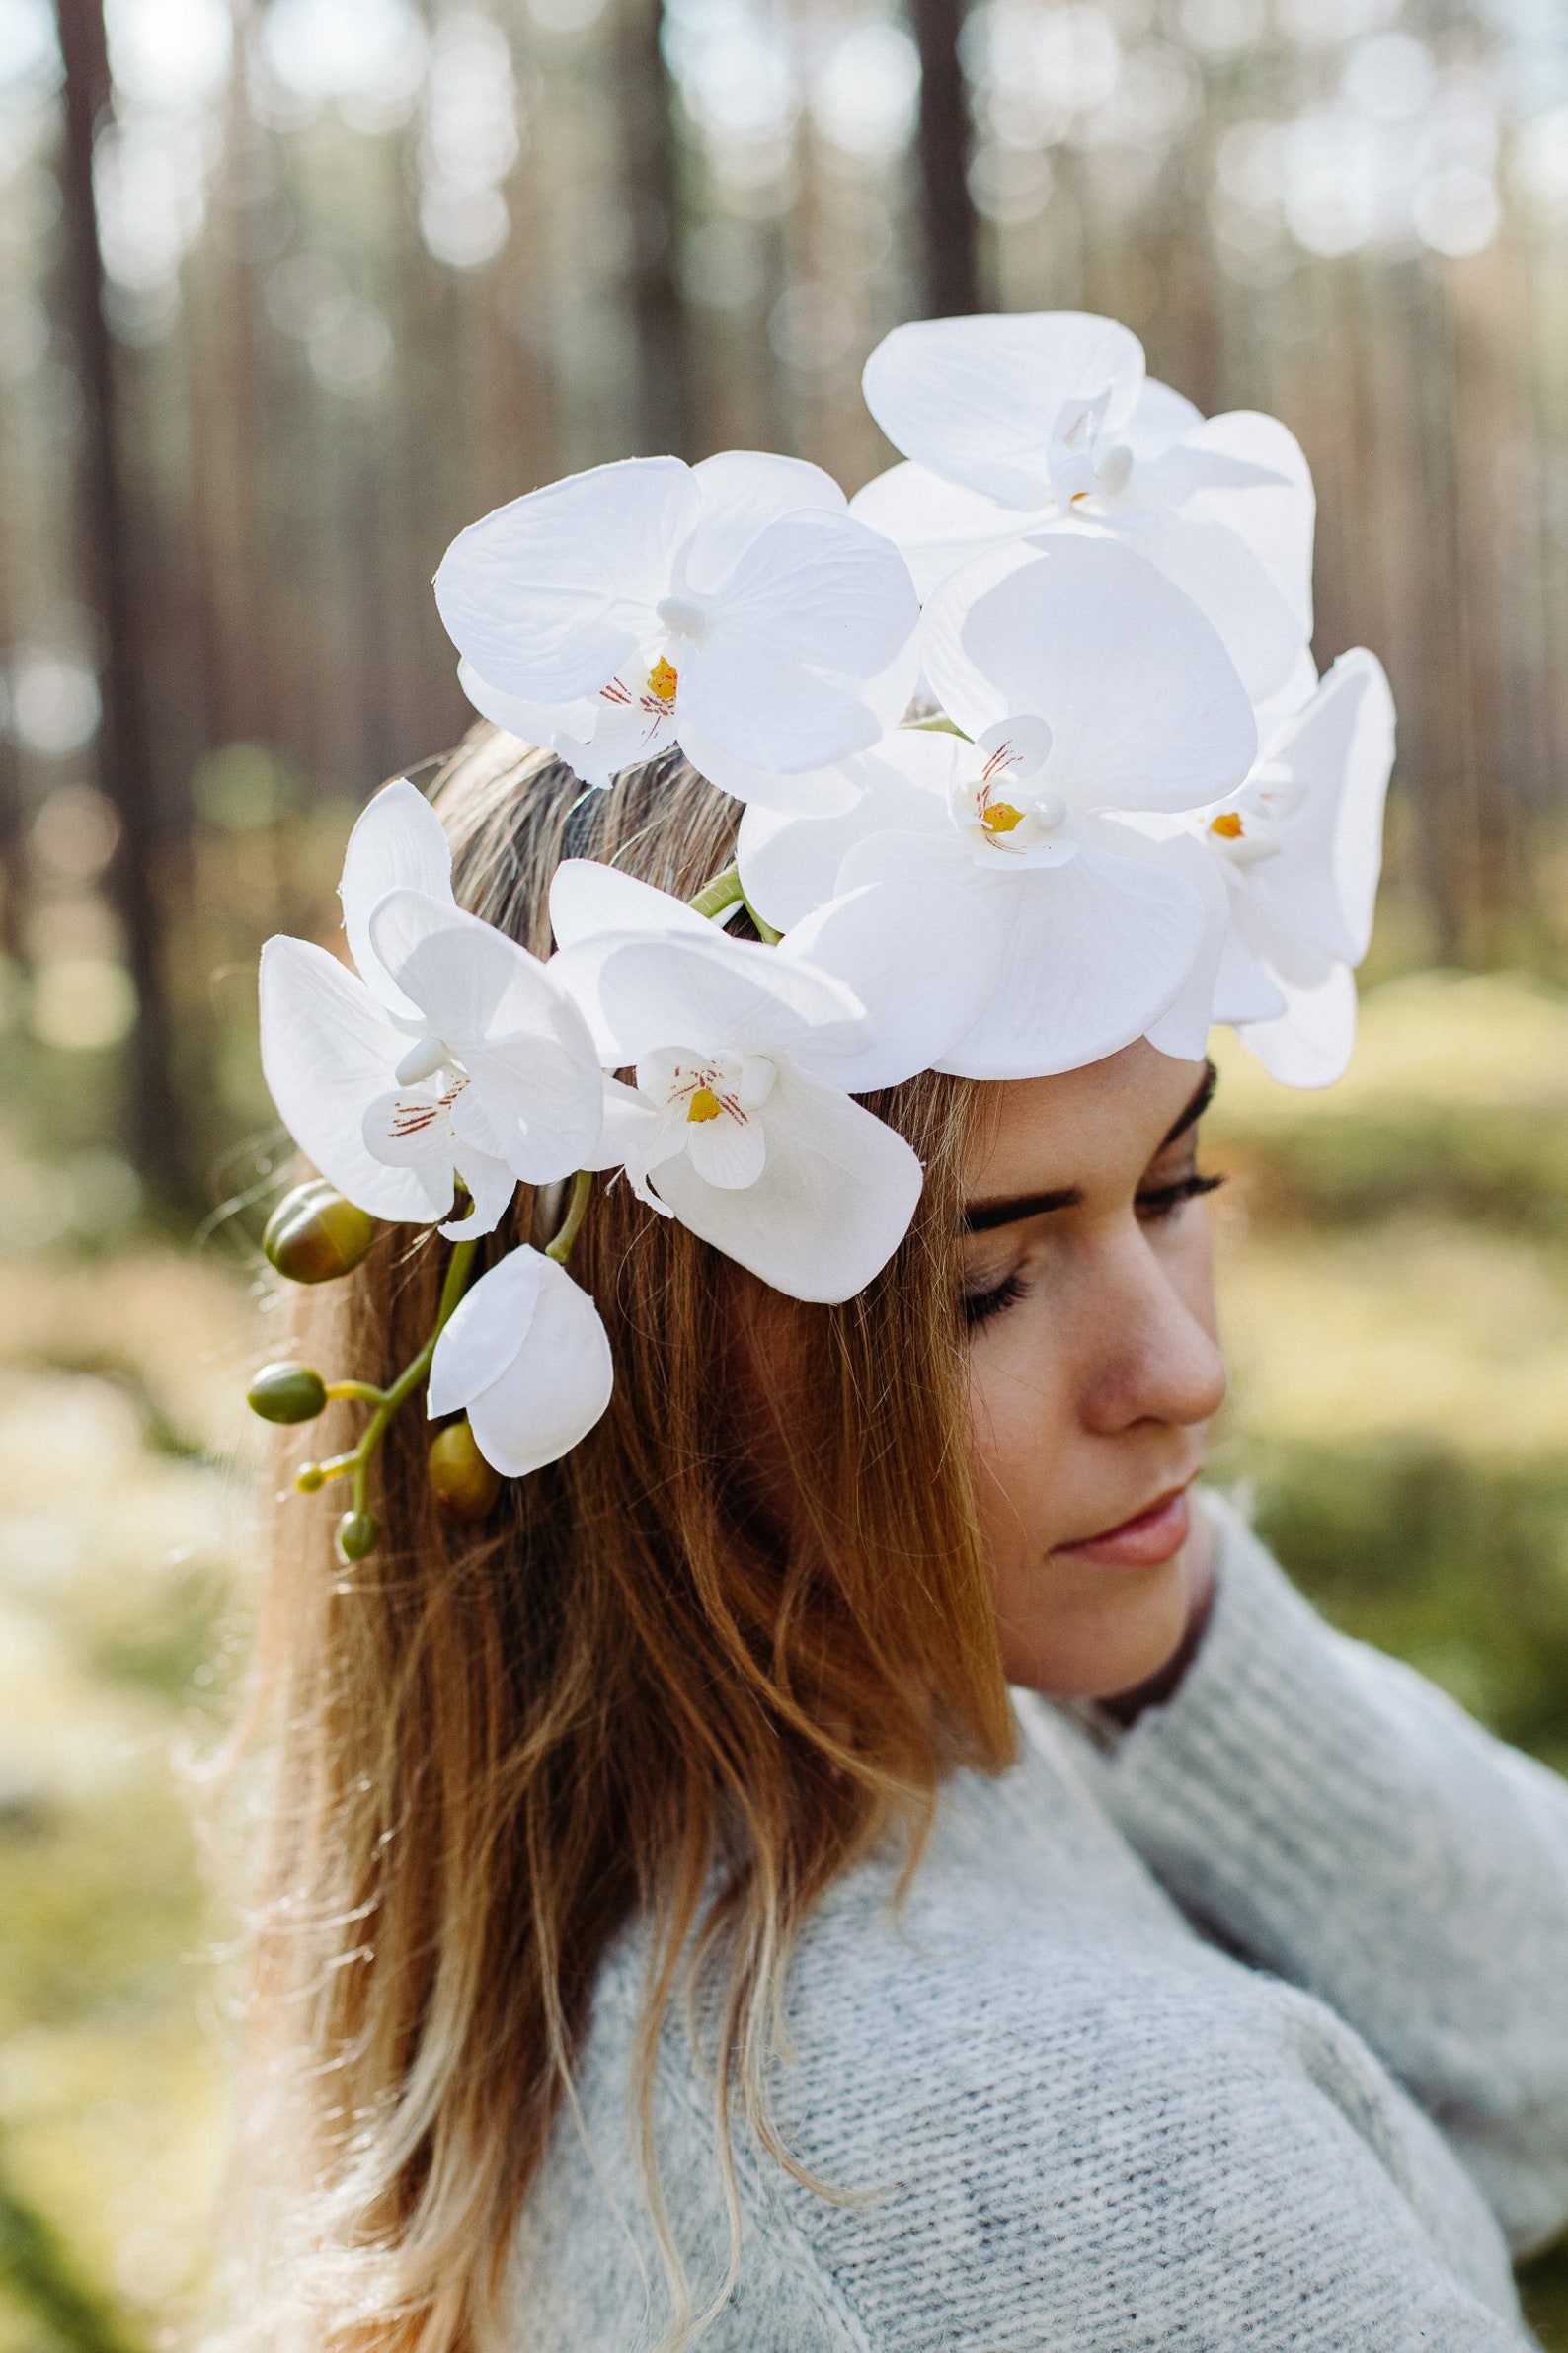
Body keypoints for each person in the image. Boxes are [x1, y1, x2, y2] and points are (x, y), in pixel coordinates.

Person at [228, 315, 1568, 2353]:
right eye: (981, 1280)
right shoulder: (1042, 2180)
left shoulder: (713, 1915)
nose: (1182, 1370)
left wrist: (1177, 1642)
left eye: (1173, 1188)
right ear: (642, 1358)